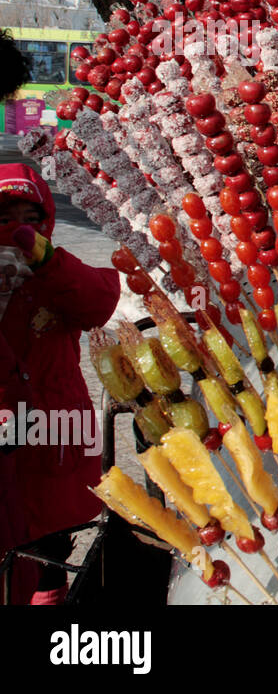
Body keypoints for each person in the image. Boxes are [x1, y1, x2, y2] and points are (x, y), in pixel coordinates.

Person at [0, 163, 120, 604]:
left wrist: (47, 262)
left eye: (31, 220)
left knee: (49, 554)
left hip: (54, 439)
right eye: (5, 220)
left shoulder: (60, 276)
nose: (18, 231)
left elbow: (99, 303)